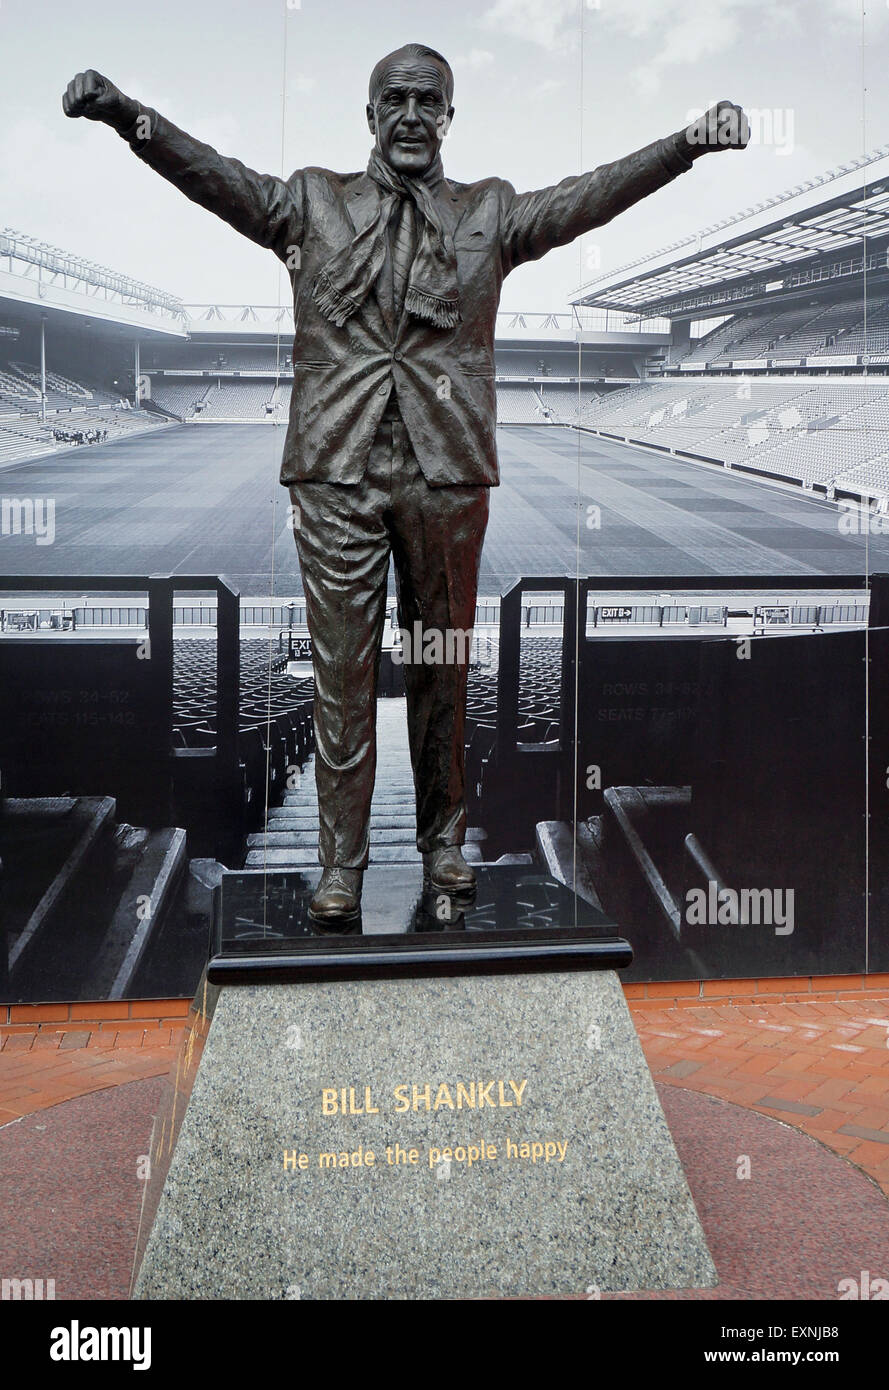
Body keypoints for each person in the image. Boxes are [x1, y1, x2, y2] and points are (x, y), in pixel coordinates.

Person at [63, 48, 748, 925]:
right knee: (341, 678)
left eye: (431, 100)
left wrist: (686, 143)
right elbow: (214, 177)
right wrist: (129, 117)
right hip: (334, 471)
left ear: (451, 118)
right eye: (397, 99)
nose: (414, 114)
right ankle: (339, 864)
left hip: (445, 473)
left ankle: (443, 848)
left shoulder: (489, 212)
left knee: (442, 672)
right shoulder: (309, 201)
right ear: (370, 115)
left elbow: (587, 196)